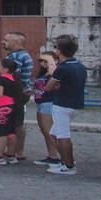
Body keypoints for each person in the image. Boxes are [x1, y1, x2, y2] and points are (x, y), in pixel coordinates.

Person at [40, 34, 86, 175]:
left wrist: (55, 82)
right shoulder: (80, 66)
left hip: (62, 104)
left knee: (62, 135)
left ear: (59, 51)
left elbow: (48, 86)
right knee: (54, 133)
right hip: (75, 102)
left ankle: (69, 165)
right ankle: (65, 159)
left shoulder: (63, 68)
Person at [0, 30, 33, 161]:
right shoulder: (18, 55)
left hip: (15, 93)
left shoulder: (17, 57)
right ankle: (15, 150)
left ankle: (16, 151)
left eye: (6, 40)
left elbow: (11, 74)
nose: (3, 42)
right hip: (20, 92)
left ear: (16, 42)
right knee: (16, 121)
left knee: (15, 122)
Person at [32, 52, 60, 166]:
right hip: (40, 101)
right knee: (45, 131)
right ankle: (52, 155)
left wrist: (52, 65)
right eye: (41, 61)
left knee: (49, 131)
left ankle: (61, 156)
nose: (43, 63)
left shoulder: (54, 73)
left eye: (46, 61)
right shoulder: (42, 74)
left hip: (49, 102)